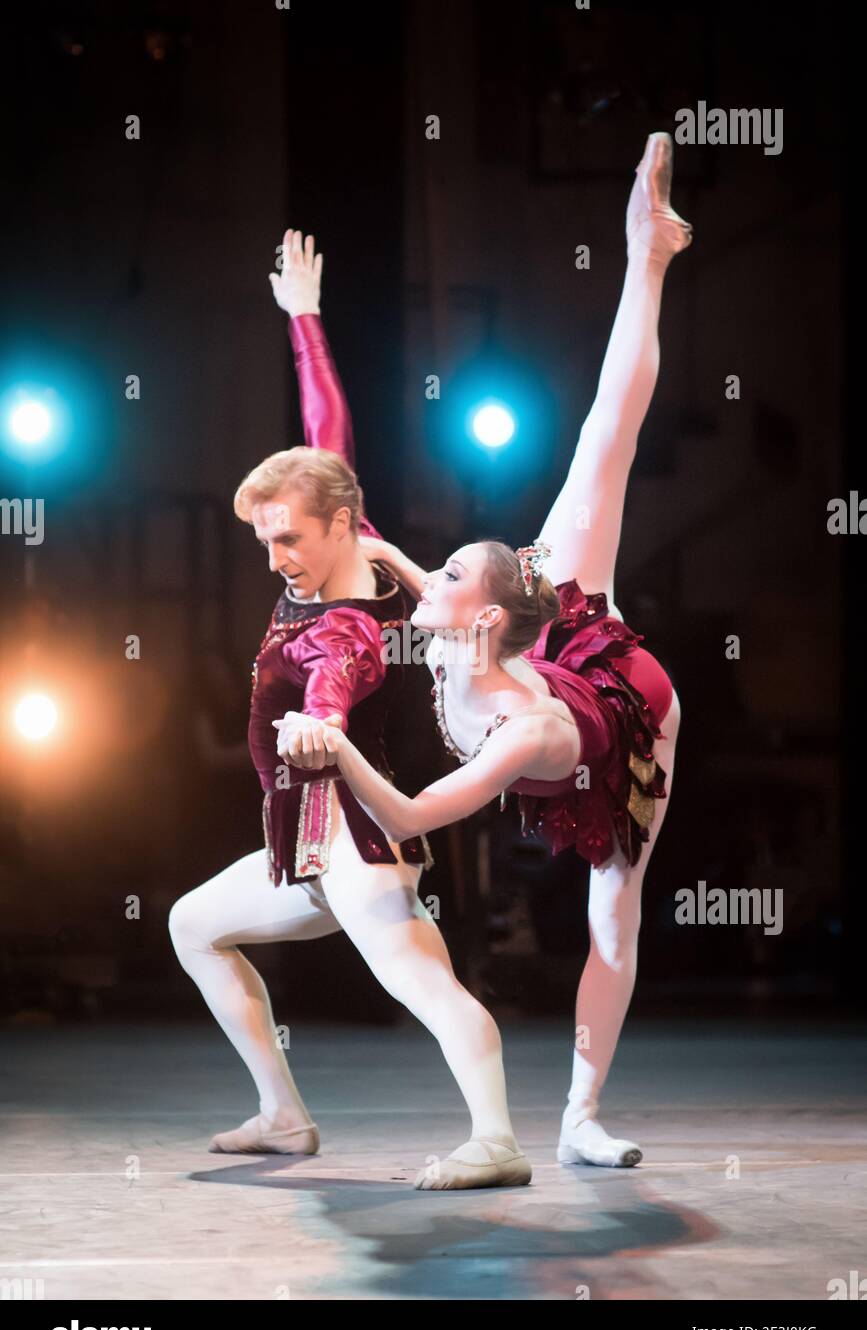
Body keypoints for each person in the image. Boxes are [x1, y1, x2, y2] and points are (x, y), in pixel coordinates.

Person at [275, 133, 690, 1168]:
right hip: (543, 635)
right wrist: (304, 322)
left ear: (483, 617)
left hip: (625, 713)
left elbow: (412, 815)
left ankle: (580, 1117)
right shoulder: (474, 616)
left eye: (444, 574)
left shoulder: (525, 728)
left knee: (612, 910)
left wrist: (330, 745)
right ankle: (649, 254)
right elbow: (346, 483)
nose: (421, 576)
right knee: (599, 444)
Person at [168, 230, 532, 1191]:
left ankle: (495, 1141)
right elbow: (327, 432)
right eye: (262, 539)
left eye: (286, 537)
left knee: (427, 983)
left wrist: (316, 723)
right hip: (303, 846)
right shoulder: (346, 529)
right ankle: (284, 1117)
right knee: (193, 923)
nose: (274, 556)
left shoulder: (350, 626)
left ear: (337, 525)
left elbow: (338, 679)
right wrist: (302, 322)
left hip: (356, 845)